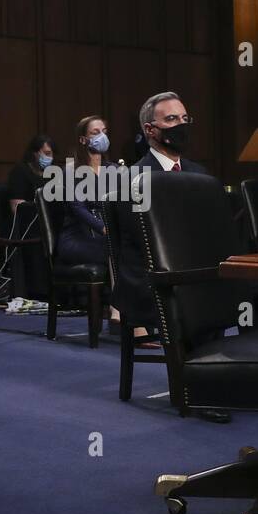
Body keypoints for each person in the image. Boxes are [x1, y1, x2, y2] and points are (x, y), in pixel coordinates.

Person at [112, 93, 208, 341]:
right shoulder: (133, 178)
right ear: (150, 130)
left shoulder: (200, 174)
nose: (182, 125)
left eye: (185, 118)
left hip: (196, 270)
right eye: (172, 119)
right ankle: (193, 371)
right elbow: (144, 240)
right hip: (153, 276)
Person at [56, 116, 121, 326]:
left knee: (133, 246)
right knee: (115, 247)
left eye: (104, 130)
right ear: (83, 139)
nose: (102, 136)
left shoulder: (114, 170)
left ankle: (141, 309)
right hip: (77, 238)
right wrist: (104, 228)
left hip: (105, 235)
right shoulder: (71, 171)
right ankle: (117, 309)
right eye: (95, 132)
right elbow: (77, 208)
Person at [6, 134, 55, 212]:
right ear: (34, 153)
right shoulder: (19, 172)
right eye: (47, 153)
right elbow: (16, 208)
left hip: (49, 219)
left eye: (51, 154)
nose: (50, 157)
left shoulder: (52, 173)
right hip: (28, 220)